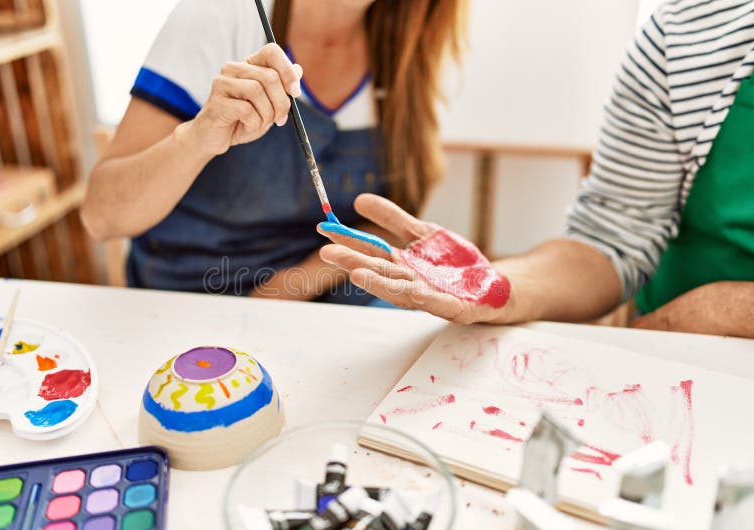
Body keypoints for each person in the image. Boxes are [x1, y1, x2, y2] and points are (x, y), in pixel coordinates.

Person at [319, 0, 754, 338]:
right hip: (682, 345)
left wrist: (726, 308)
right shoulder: (687, 35)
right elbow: (610, 241)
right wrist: (501, 285)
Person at [81, 0, 465, 305]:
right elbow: (102, 218)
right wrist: (198, 137)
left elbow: (394, 218)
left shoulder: (411, 44)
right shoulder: (221, 15)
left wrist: (292, 285)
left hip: (322, 290)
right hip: (192, 299)